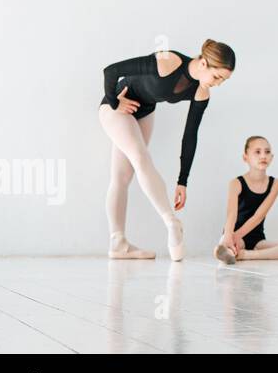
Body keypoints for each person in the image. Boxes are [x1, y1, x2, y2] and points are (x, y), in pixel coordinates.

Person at [99, 39, 235, 261]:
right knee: (140, 158)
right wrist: (115, 103)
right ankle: (171, 221)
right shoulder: (168, 61)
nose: (218, 83)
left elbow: (190, 136)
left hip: (144, 111)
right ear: (203, 64)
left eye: (223, 80)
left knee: (122, 176)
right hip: (116, 106)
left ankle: (118, 243)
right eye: (217, 77)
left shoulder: (201, 91)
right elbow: (111, 71)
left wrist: (183, 181)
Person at [213, 136, 278, 263]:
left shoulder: (276, 183)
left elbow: (259, 216)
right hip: (234, 234)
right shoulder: (236, 183)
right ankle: (228, 249)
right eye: (257, 152)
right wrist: (230, 236)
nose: (263, 156)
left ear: (272, 157)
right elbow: (231, 214)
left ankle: (246, 255)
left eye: (267, 152)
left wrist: (236, 237)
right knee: (223, 247)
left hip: (258, 240)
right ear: (245, 157)